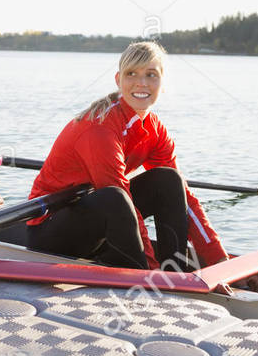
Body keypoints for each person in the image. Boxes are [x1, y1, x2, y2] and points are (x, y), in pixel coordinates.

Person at [25, 41, 230, 272]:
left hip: (98, 220)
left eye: (151, 74)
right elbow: (121, 202)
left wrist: (219, 260)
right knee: (116, 197)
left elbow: (186, 199)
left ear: (162, 83)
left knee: (169, 180)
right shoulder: (100, 129)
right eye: (132, 73)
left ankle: (175, 272)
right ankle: (147, 276)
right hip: (50, 234)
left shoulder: (154, 128)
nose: (141, 83)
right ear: (118, 80)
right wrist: (150, 271)